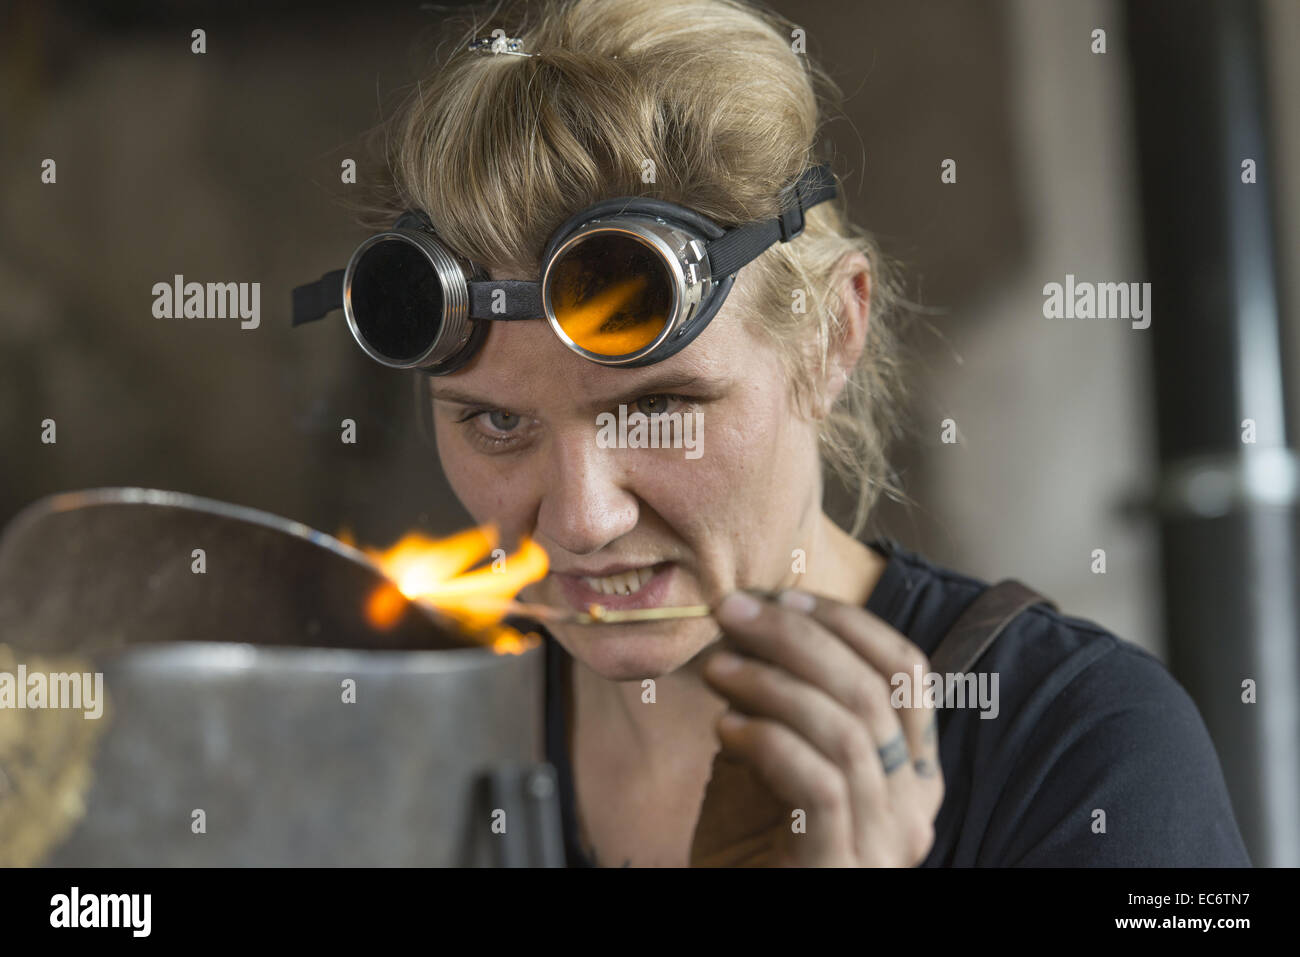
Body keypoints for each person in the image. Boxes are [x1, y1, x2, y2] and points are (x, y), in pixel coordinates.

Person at [346, 0, 1249, 866]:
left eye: (658, 409)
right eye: (499, 421)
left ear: (830, 339)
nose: (581, 520)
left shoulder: (1086, 747)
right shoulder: (412, 742)